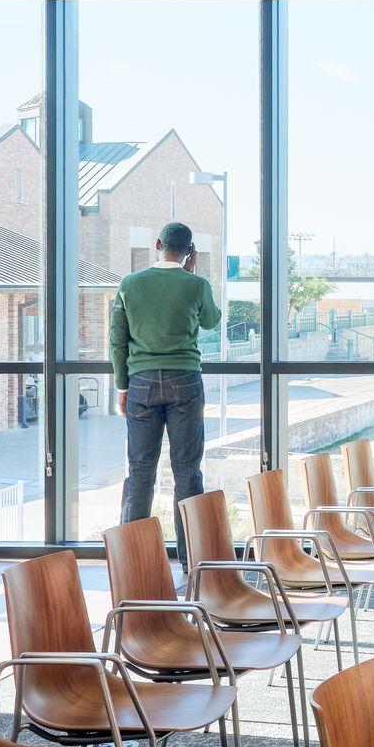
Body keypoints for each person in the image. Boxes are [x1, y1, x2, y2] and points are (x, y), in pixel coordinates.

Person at [112, 221, 223, 537]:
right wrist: (194, 274)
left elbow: (117, 338)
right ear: (189, 252)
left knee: (140, 470)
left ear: (158, 245)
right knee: (187, 471)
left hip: (141, 383)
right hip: (185, 380)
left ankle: (131, 561)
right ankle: (192, 560)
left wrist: (123, 385)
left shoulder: (130, 284)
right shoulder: (195, 284)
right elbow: (212, 321)